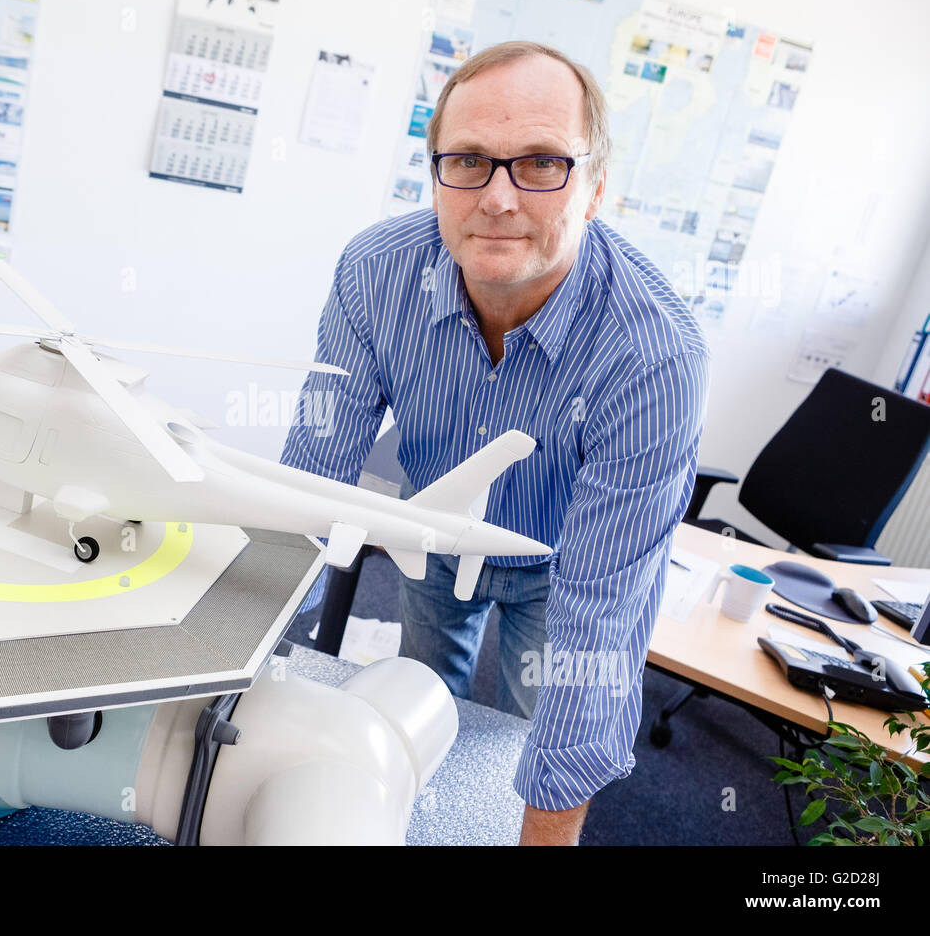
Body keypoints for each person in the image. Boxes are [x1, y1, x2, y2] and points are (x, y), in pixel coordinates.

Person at [280, 41, 710, 845]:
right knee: (414, 705)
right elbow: (312, 477)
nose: (500, 198)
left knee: (525, 730)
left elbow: (603, 617)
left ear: (594, 188)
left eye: (542, 163)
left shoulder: (654, 353)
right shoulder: (375, 273)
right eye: (469, 160)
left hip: (560, 569)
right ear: (435, 172)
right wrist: (244, 668)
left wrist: (545, 831)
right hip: (435, 527)